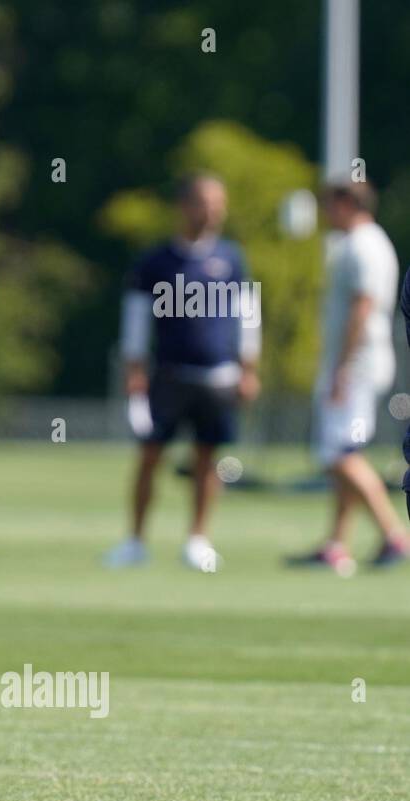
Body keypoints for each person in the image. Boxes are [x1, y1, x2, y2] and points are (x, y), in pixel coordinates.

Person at [105, 173, 260, 571]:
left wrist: (249, 367)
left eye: (218, 202)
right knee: (150, 455)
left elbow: (248, 314)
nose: (213, 210)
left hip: (218, 376)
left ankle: (198, 540)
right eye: (205, 201)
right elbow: (136, 317)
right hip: (168, 375)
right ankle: (135, 540)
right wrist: (134, 365)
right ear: (185, 206)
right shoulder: (156, 261)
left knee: (208, 459)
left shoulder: (232, 258)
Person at [287, 181, 407, 571]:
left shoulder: (362, 245)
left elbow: (363, 306)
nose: (325, 215)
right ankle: (337, 543)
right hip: (356, 364)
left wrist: (340, 368)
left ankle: (393, 535)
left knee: (340, 454)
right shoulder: (364, 243)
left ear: (345, 204)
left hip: (356, 366)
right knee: (345, 453)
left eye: (329, 206)